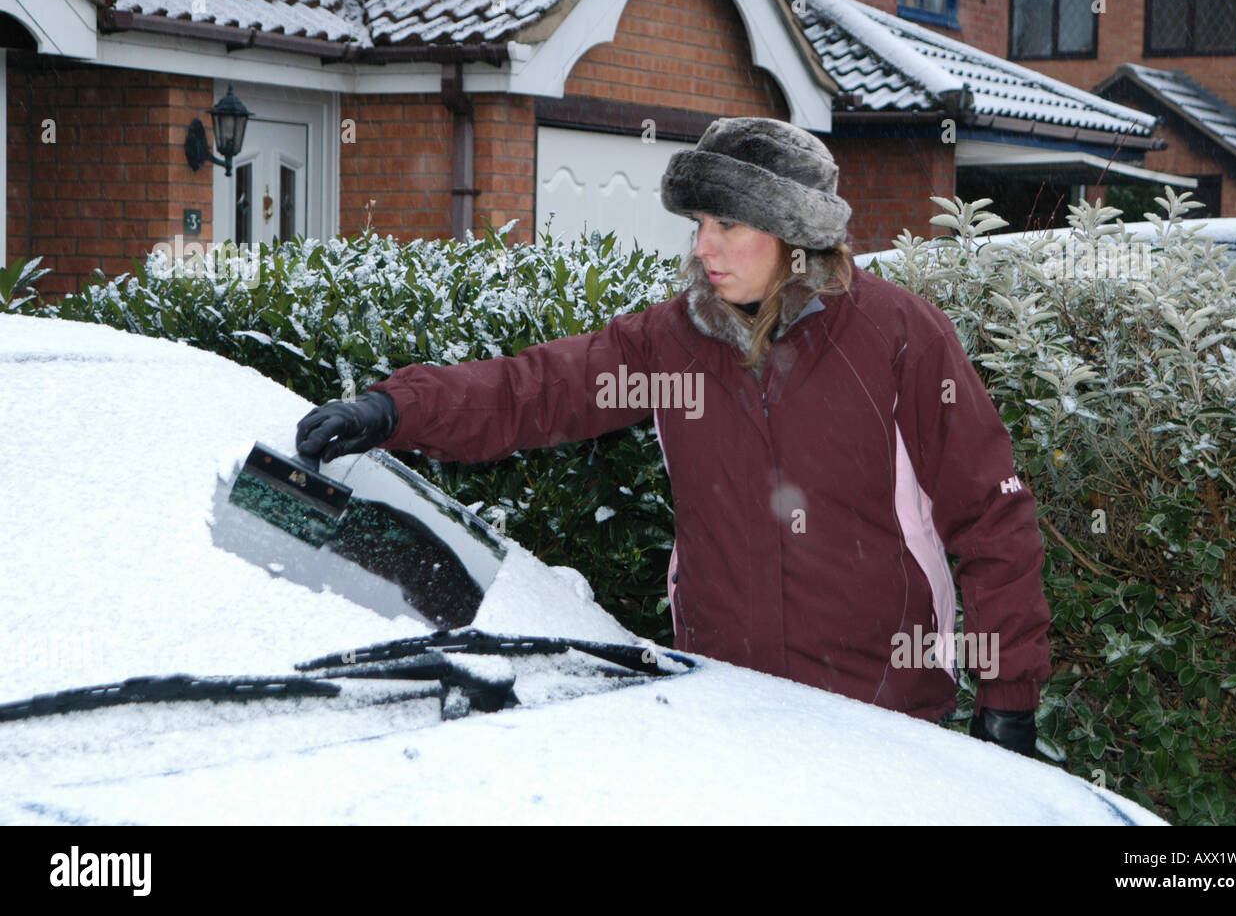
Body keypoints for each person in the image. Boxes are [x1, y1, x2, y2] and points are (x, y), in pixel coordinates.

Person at [296, 117, 1051, 756]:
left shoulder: (898, 336)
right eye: (698, 225)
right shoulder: (673, 341)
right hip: (728, 708)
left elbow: (991, 514)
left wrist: (1008, 693)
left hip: (884, 718)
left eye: (727, 223)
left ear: (794, 234)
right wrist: (395, 410)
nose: (703, 248)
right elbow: (537, 390)